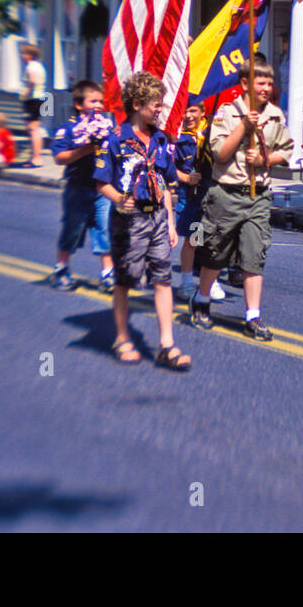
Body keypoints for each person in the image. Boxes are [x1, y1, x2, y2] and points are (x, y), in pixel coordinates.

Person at [188, 59, 294, 341]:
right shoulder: (226, 112)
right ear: (245, 84)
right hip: (227, 194)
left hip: (258, 195)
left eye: (269, 83)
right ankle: (201, 298)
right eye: (261, 83)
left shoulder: (275, 114)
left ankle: (253, 315)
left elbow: (286, 151)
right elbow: (220, 154)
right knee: (215, 252)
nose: (267, 88)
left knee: (254, 255)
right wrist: (243, 127)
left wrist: (265, 159)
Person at [94, 72, 191, 370]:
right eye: (155, 104)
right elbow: (101, 182)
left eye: (161, 104)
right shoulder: (114, 140)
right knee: (125, 280)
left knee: (163, 279)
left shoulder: (161, 139)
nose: (160, 109)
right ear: (137, 104)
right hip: (129, 219)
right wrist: (118, 198)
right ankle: (122, 337)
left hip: (158, 219)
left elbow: (164, 182)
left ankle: (166, 345)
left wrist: (172, 224)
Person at [48, 80, 115, 293]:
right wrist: (86, 148)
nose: (98, 105)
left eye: (100, 101)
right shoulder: (67, 129)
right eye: (92, 101)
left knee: (105, 228)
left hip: (102, 188)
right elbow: (60, 157)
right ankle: (61, 268)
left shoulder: (107, 126)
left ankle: (107, 273)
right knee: (73, 229)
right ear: (78, 104)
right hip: (77, 187)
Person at [173, 98, 226, 301]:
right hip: (192, 196)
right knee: (194, 240)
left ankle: (210, 280)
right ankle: (186, 281)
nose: (189, 116)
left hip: (212, 193)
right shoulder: (178, 138)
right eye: (185, 111)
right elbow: (169, 167)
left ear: (203, 112)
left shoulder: (212, 132)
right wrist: (185, 177)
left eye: (193, 110)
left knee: (211, 240)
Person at [18, 43, 46, 167]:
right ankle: (35, 156)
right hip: (40, 98)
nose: (22, 56)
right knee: (35, 128)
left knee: (32, 129)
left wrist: (26, 93)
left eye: (23, 53)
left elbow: (32, 81)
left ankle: (36, 158)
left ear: (30, 54)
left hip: (33, 100)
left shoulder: (31, 67)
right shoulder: (40, 66)